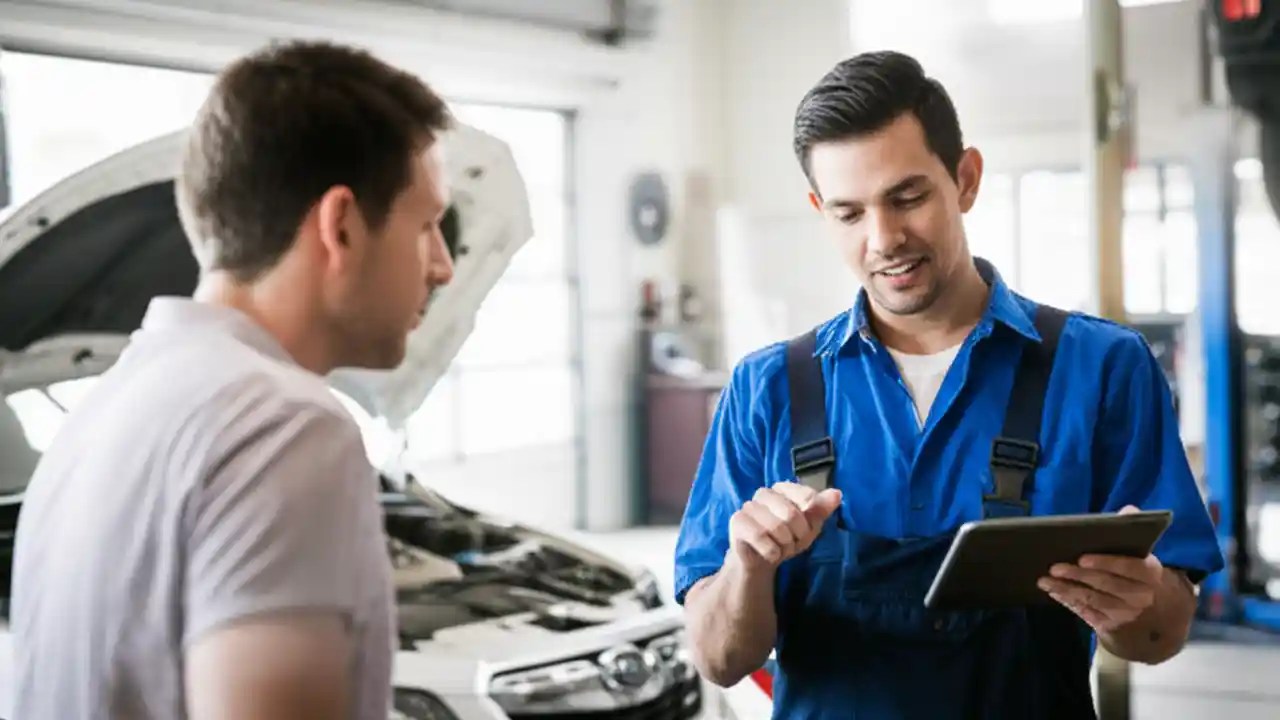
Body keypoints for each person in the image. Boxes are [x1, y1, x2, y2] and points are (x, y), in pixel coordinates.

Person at [674, 50, 1224, 719]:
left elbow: (1161, 635)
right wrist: (747, 568)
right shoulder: (768, 389)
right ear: (820, 209)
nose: (884, 239)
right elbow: (717, 659)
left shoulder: (1102, 367)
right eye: (849, 213)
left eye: (908, 198)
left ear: (965, 179)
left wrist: (1134, 600)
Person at [11, 40, 455, 720]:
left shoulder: (103, 412)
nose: (444, 265)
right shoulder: (285, 426)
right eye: (426, 226)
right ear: (340, 226)